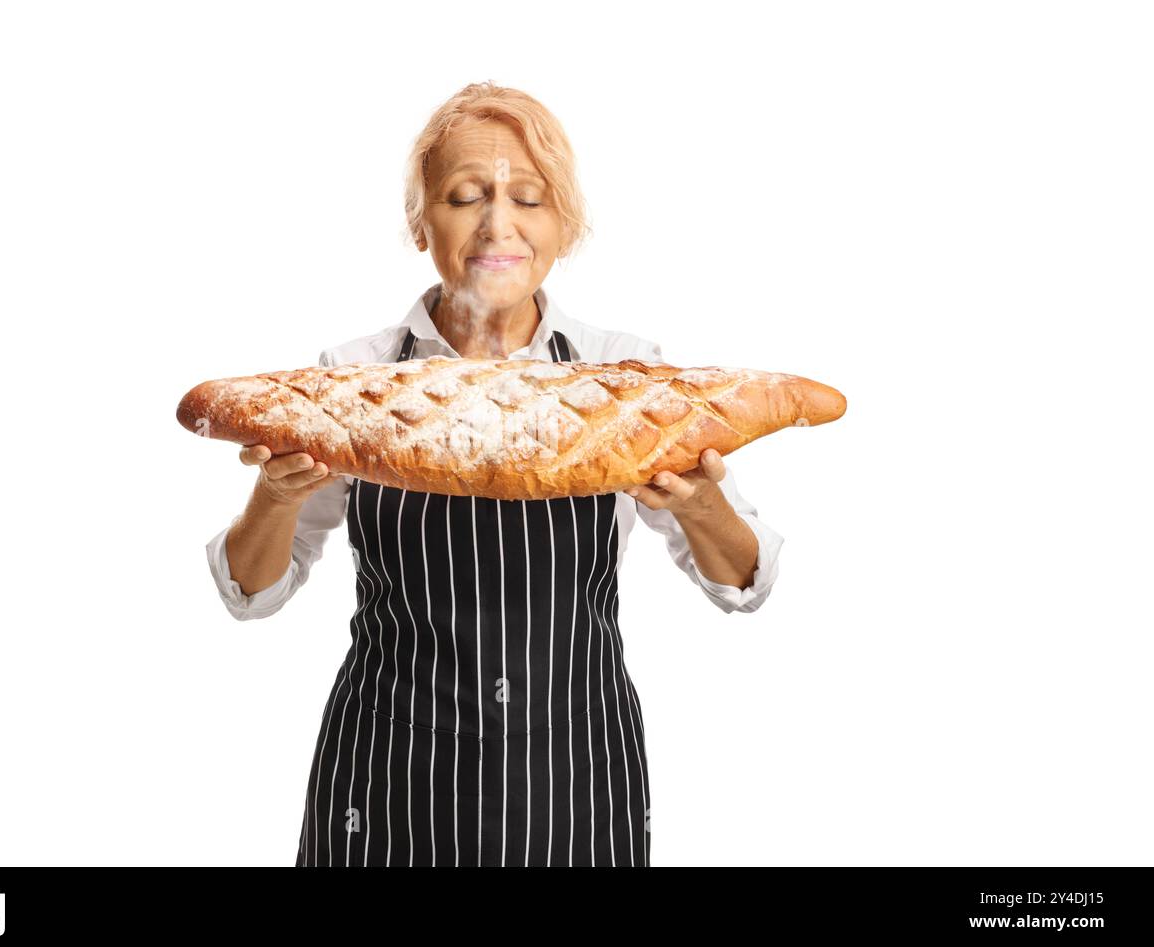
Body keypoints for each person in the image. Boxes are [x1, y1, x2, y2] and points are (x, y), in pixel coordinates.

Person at [204, 82, 784, 867]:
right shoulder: (353, 379)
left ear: (564, 227)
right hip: (388, 776)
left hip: (574, 775)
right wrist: (273, 497)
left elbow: (743, 582)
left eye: (529, 199)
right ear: (421, 221)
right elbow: (253, 592)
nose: (496, 225)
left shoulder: (626, 377)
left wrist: (701, 501)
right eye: (465, 195)